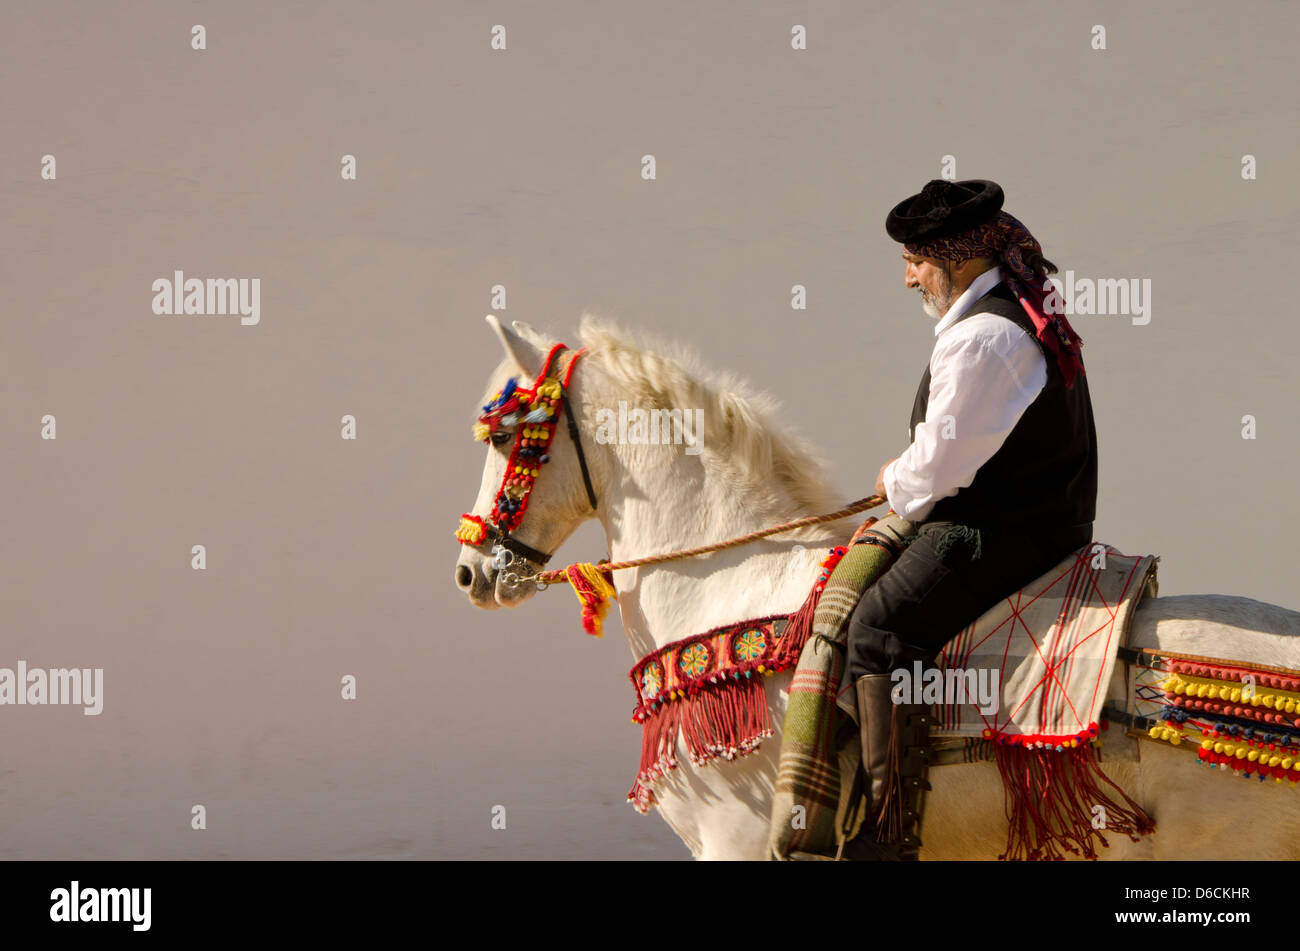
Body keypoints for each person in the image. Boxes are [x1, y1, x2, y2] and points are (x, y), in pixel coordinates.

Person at [838, 179, 1097, 859]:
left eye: (914, 261)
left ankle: (889, 833)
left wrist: (891, 478)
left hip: (998, 533)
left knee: (876, 626)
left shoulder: (984, 337)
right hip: (1035, 519)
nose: (907, 279)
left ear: (954, 260)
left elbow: (937, 472)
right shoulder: (1020, 310)